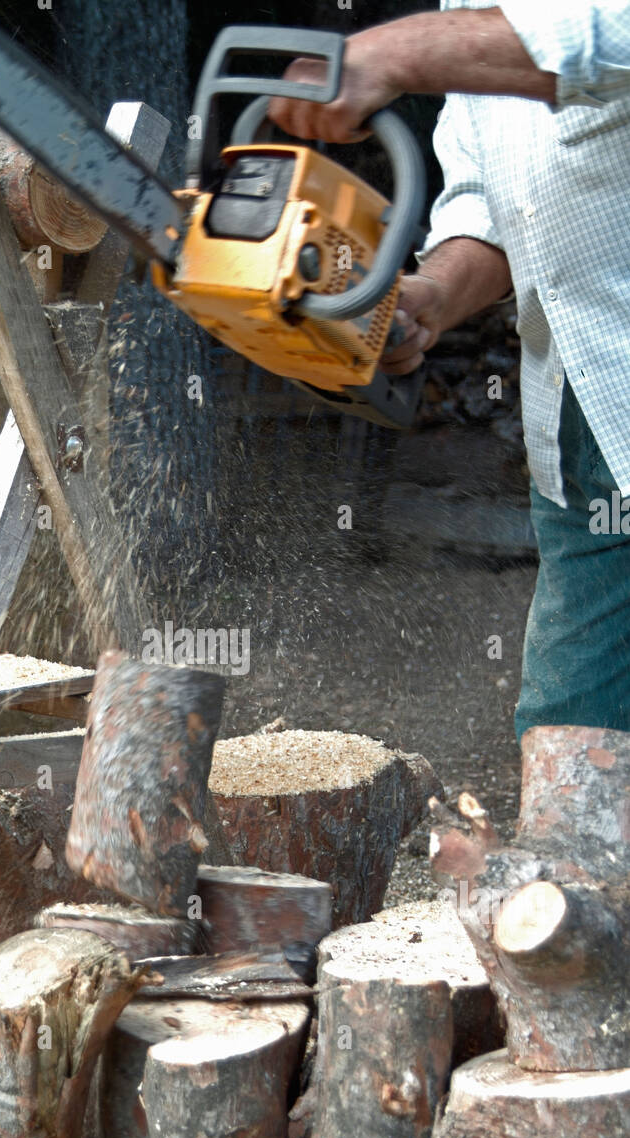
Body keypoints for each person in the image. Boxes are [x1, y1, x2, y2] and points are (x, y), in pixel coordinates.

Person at [269, 1, 630, 738]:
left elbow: (605, 37)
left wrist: (399, 54)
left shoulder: (442, 35)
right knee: (568, 734)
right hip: (581, 404)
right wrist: (431, 297)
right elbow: (493, 208)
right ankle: (566, 855)